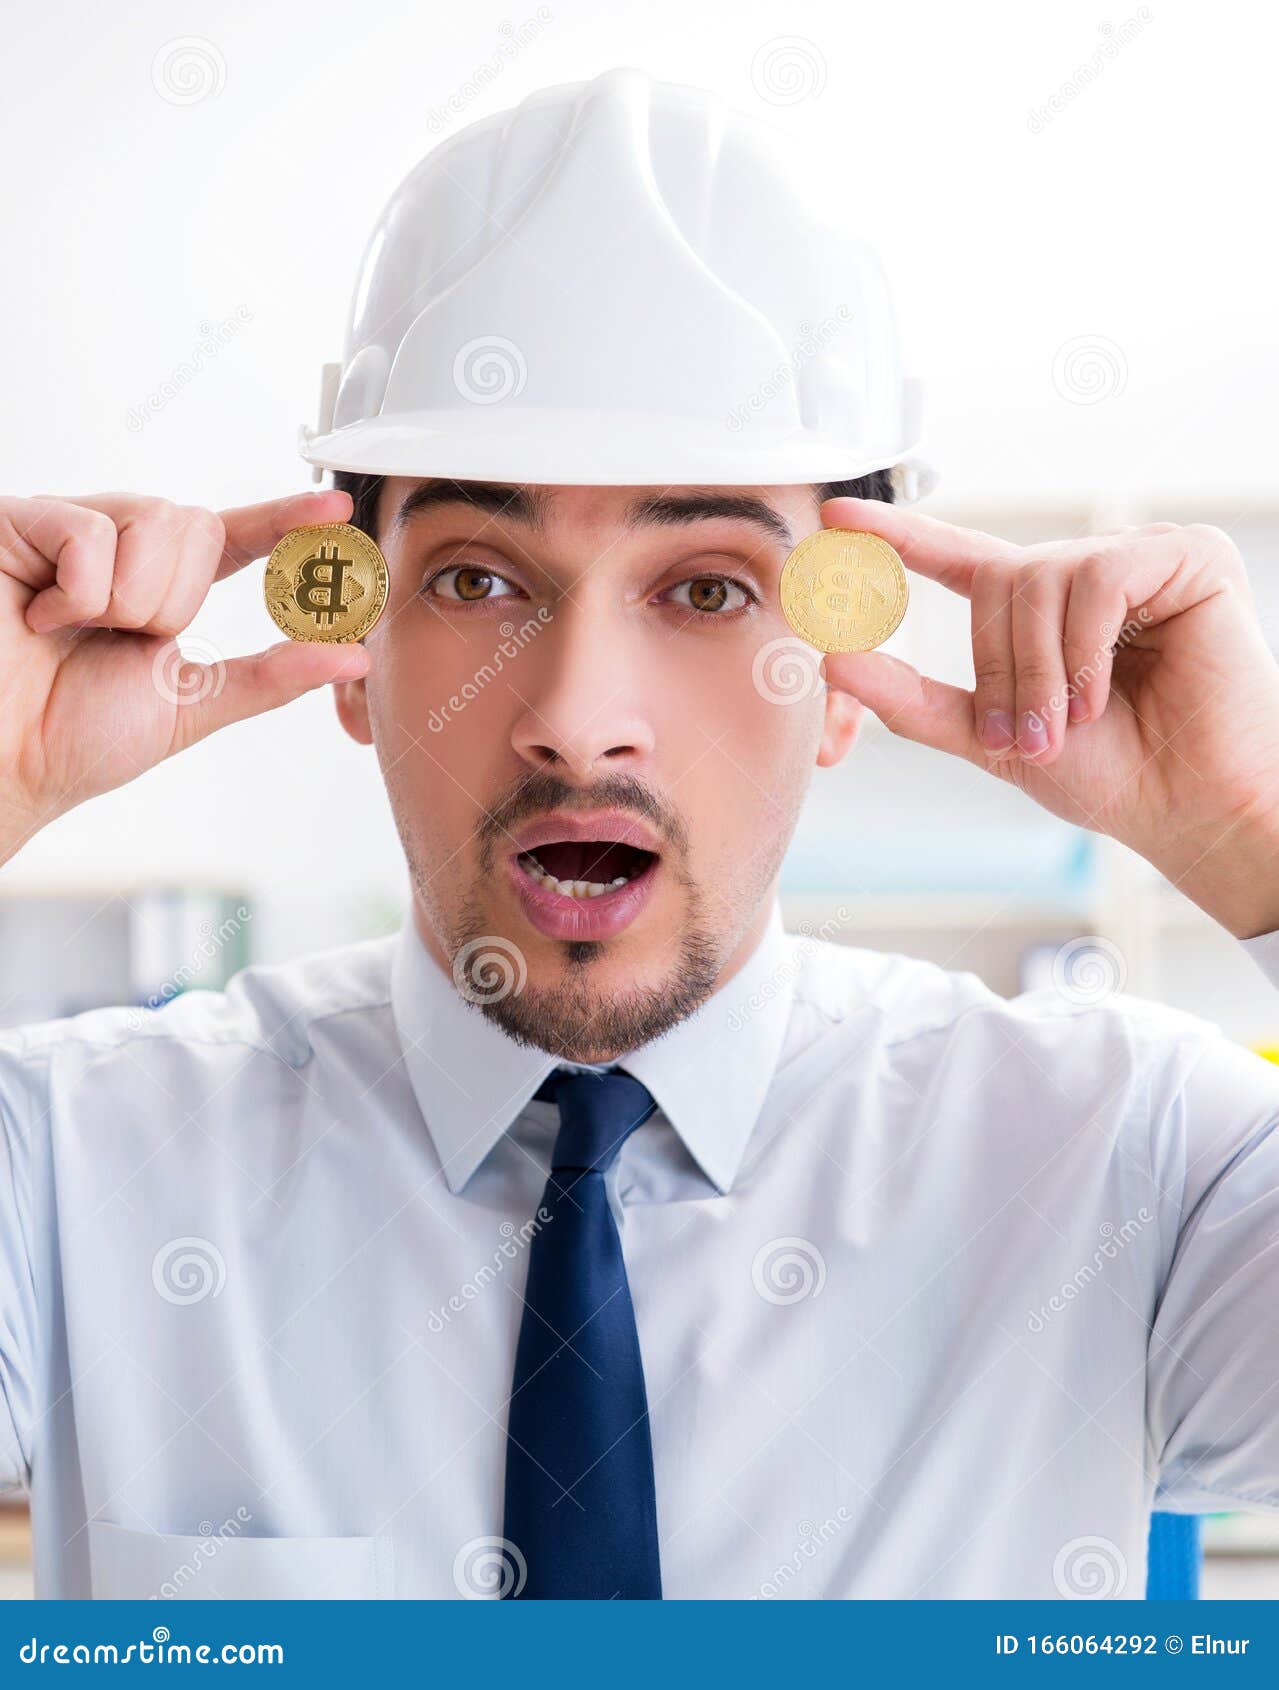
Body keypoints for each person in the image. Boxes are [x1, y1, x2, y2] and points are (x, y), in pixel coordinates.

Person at [2, 69, 1278, 1602]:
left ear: (845, 678)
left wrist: (1254, 835)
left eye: (710, 587)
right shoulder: (70, 1165)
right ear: (357, 644)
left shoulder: (1127, 1160)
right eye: (478, 580)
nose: (578, 717)